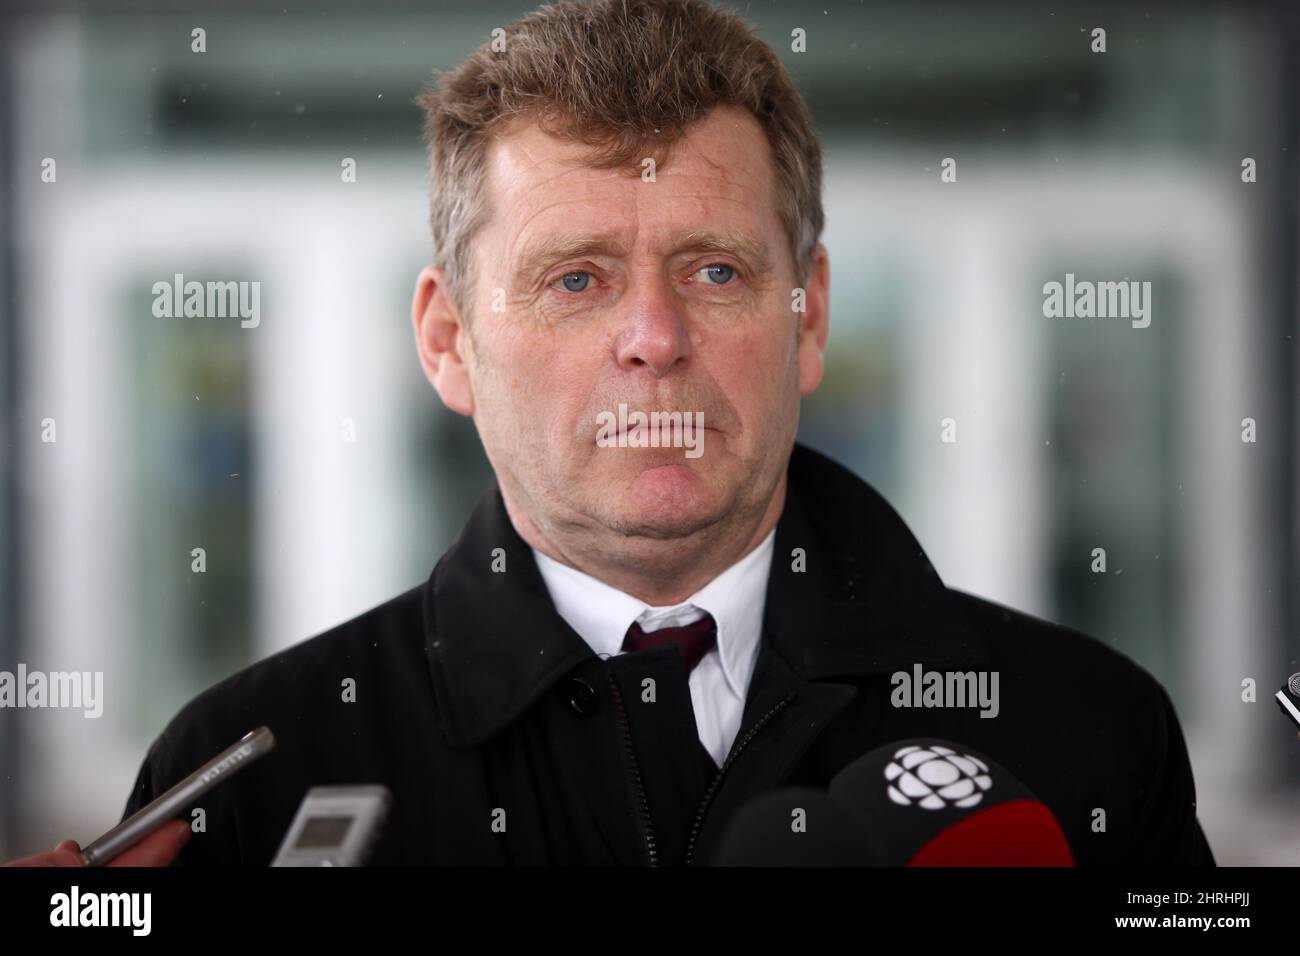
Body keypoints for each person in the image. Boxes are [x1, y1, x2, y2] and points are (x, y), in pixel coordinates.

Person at [11, 0, 1214, 867]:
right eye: (575, 279)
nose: (652, 334)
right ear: (446, 341)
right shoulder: (243, 773)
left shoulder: (1086, 734)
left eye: (716, 267)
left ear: (810, 319)